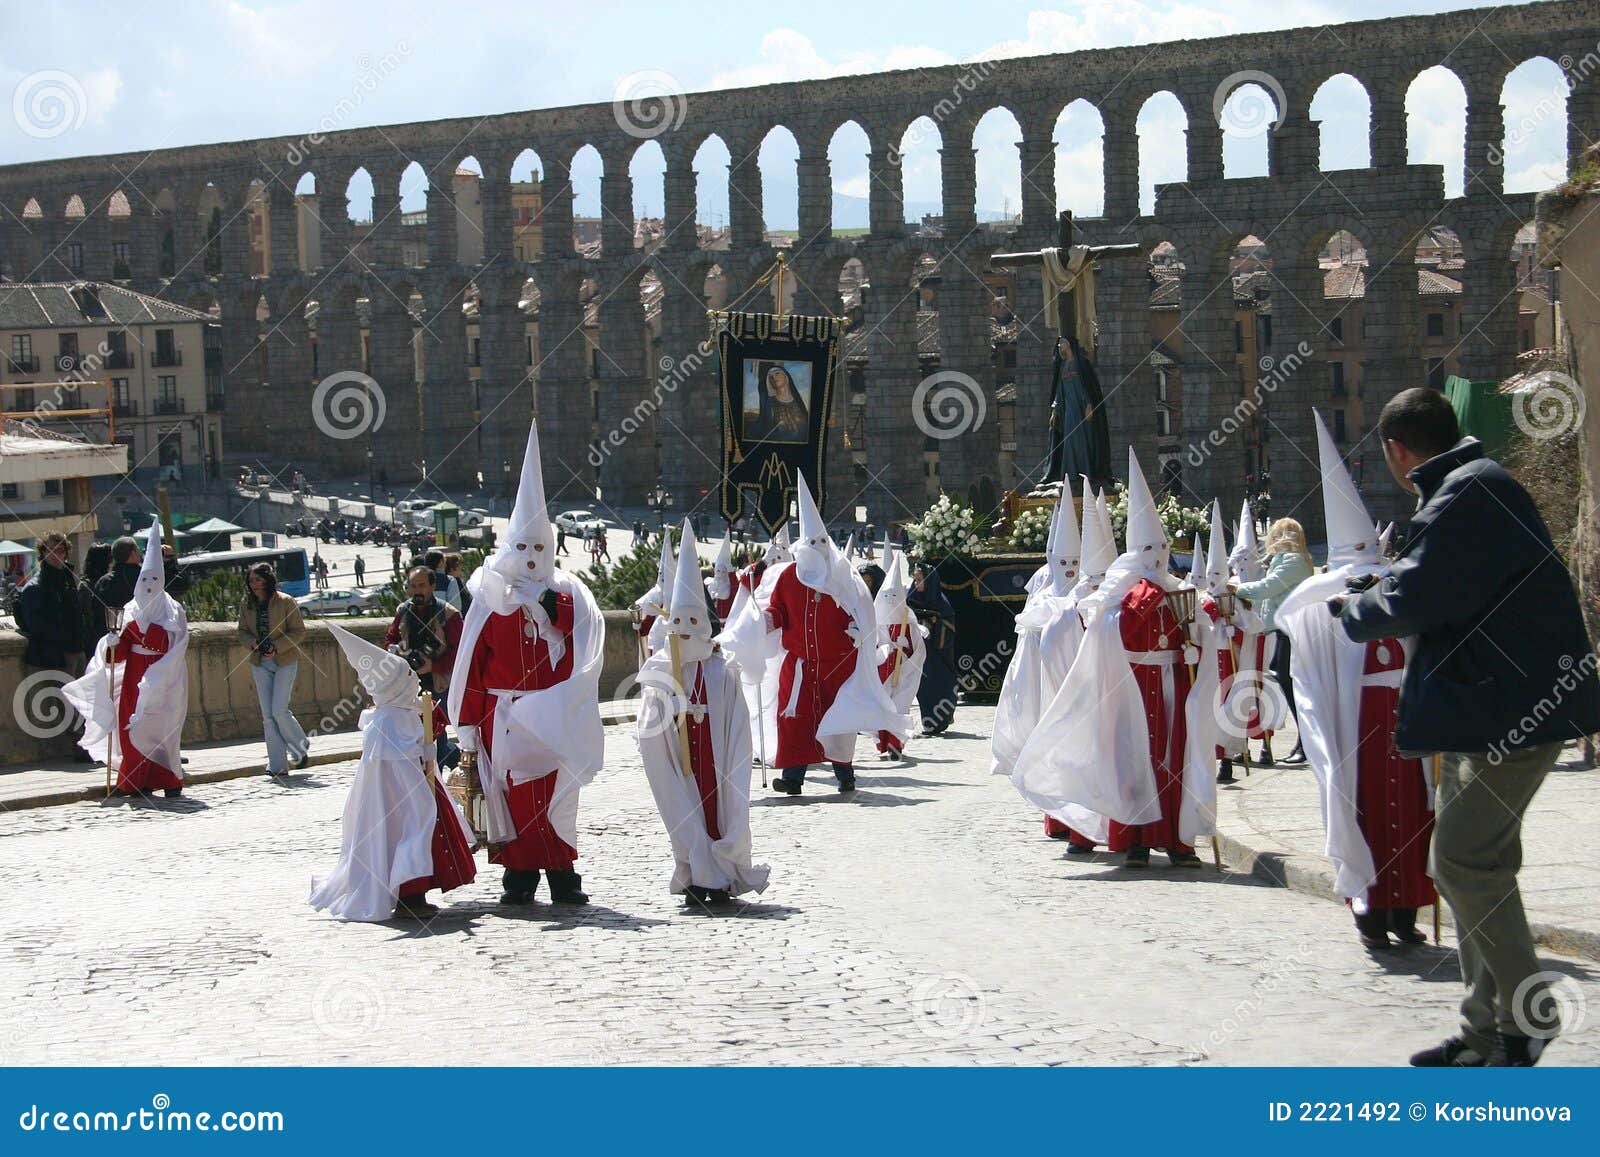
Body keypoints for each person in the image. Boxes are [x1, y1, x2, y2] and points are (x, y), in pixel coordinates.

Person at [1329, 389, 1600, 1067]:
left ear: (1397, 450)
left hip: (1511, 713)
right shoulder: (1472, 486)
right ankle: (1487, 1033)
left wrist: (1355, 607)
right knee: (1479, 866)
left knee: (1461, 860)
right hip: (1491, 710)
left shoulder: (1467, 494)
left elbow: (1422, 595)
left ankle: (1526, 1016)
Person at [1016, 448, 1210, 869]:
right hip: (1129, 687)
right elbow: (1102, 628)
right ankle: (1135, 837)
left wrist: (1198, 641)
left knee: (1172, 759)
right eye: (1149, 549)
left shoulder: (1178, 588)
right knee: (1130, 761)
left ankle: (1176, 839)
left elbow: (1197, 623)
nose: (1158, 556)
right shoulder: (1114, 594)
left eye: (1162, 547)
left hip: (1172, 685)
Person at [450, 421, 605, 907]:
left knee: (557, 794)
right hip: (504, 715)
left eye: (539, 547)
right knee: (511, 797)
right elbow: (473, 662)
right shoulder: (487, 596)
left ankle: (563, 874)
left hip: (553, 711)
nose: (530, 557)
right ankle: (518, 877)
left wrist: (547, 603)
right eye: (522, 547)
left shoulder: (568, 593)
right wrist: (470, 725)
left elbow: (586, 629)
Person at [720, 475, 903, 795]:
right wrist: (761, 623)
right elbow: (778, 610)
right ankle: (793, 777)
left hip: (837, 664)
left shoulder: (842, 574)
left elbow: (860, 606)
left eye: (820, 544)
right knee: (795, 720)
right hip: (800, 665)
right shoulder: (789, 577)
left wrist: (860, 630)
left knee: (838, 722)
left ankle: (845, 774)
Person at [637, 523, 770, 908]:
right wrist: (668, 710)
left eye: (692, 622)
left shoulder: (721, 668)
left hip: (716, 760)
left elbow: (737, 719)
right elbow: (648, 724)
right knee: (685, 811)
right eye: (676, 623)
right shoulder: (661, 669)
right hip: (681, 763)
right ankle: (696, 875)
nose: (683, 631)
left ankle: (723, 875)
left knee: (719, 811)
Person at [310, 624, 476, 921]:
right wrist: (424, 758)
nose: (414, 681)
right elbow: (402, 768)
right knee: (411, 834)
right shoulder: (390, 721)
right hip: (405, 798)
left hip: (408, 789)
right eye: (408, 677)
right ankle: (410, 895)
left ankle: (415, 892)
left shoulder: (396, 713)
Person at [65, 520, 189, 798]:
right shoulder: (130, 610)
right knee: (131, 727)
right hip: (134, 675)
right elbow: (116, 657)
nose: (148, 585)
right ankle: (134, 779)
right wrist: (113, 643)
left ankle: (167, 778)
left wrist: (145, 636)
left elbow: (175, 645)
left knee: (160, 729)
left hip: (161, 679)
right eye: (144, 579)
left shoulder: (174, 610)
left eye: (153, 580)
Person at [1234, 517, 1314, 765]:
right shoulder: (1290, 560)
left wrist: (1238, 589)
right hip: (1284, 628)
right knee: (1283, 675)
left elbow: (1269, 588)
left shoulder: (1292, 560)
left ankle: (1306, 740)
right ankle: (1304, 740)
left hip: (1291, 629)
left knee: (1291, 681)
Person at [17, 533, 89, 760]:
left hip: (77, 647)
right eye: (50, 550)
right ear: (42, 553)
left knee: (84, 699)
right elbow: (37, 623)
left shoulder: (67, 579)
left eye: (60, 550)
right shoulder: (37, 585)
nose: (55, 555)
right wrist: (63, 637)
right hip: (59, 651)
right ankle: (81, 745)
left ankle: (88, 742)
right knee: (67, 700)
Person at [236, 562, 310, 777]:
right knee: (268, 716)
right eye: (251, 580)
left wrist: (277, 648)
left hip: (284, 660)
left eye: (258, 580)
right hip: (259, 661)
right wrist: (253, 644)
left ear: (267, 580)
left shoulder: (286, 602)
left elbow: (298, 632)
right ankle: (277, 765)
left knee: (279, 709)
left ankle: (299, 746)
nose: (254, 584)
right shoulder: (246, 603)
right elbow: (241, 631)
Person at [386, 566, 463, 770]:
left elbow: (459, 652)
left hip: (439, 681)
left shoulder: (448, 614)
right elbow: (391, 639)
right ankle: (441, 763)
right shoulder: (404, 611)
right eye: (413, 586)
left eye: (421, 585)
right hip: (410, 681)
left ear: (432, 586)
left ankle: (440, 770)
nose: (417, 590)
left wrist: (433, 666)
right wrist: (398, 654)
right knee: (415, 731)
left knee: (436, 730)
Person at [872, 546, 925, 761]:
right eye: (888, 596)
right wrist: (887, 647)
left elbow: (919, 651)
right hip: (883, 672)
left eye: (895, 596)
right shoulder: (879, 624)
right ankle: (883, 742)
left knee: (900, 707)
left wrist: (907, 644)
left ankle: (896, 745)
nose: (891, 600)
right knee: (882, 708)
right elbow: (872, 646)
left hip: (903, 673)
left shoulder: (908, 623)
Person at [907, 562, 959, 736]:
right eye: (915, 580)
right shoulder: (911, 598)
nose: (916, 584)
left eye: (920, 580)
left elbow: (948, 624)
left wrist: (934, 624)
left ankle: (940, 720)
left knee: (940, 686)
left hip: (937, 655)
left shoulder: (940, 601)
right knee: (923, 689)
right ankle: (928, 721)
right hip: (919, 655)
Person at [707, 534, 736, 623]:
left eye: (723, 572)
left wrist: (731, 572)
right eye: (718, 571)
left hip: (727, 620)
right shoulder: (711, 583)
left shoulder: (730, 585)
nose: (720, 574)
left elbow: (730, 592)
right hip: (713, 620)